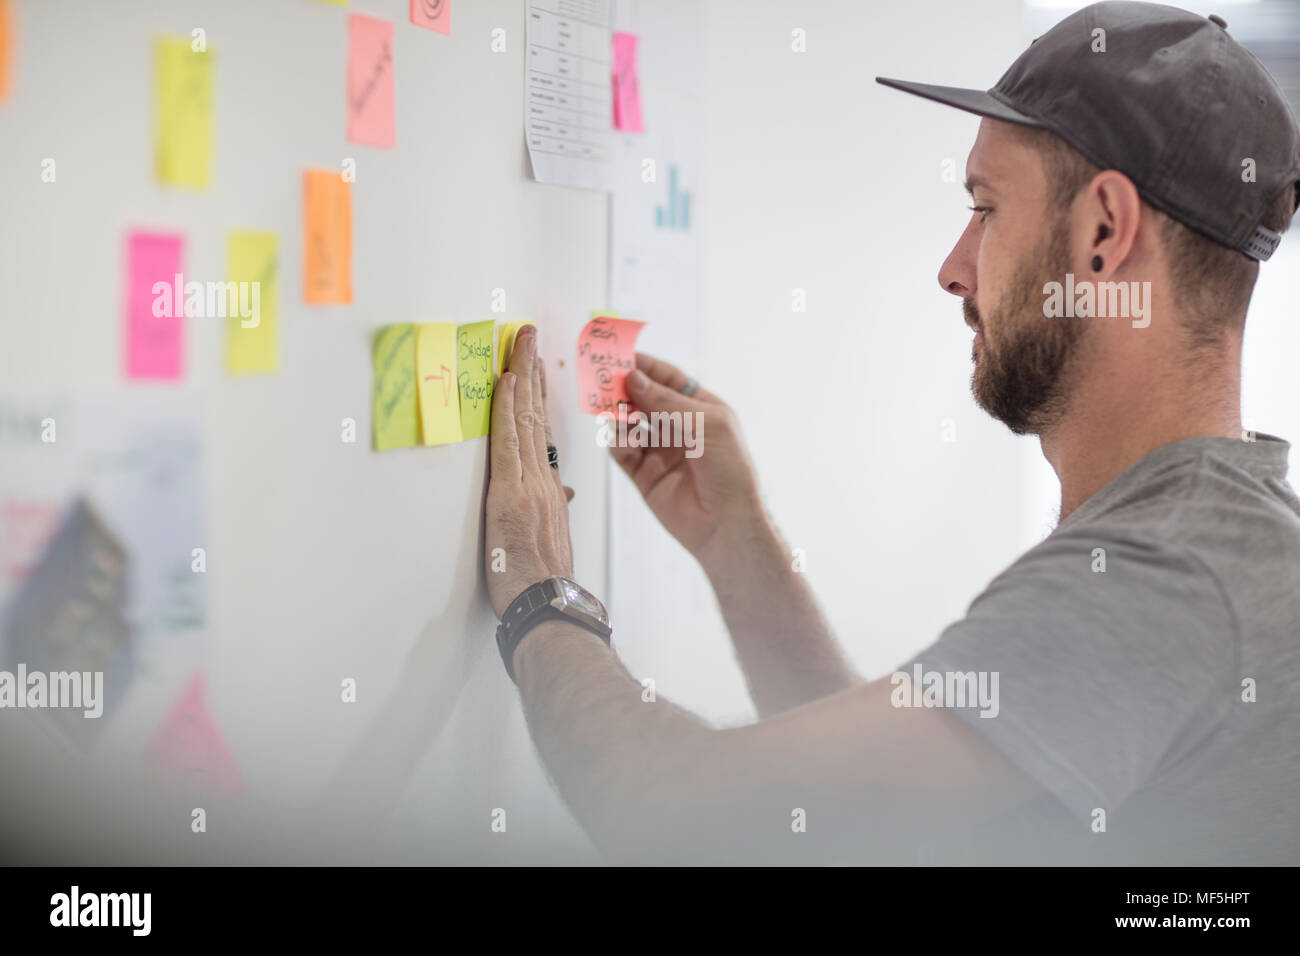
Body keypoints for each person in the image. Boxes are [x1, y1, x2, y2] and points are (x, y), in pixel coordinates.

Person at [483, 1, 1300, 865]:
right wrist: (739, 544)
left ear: (1105, 231)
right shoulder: (1205, 539)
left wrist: (538, 591)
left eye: (985, 209)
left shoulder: (1169, 576)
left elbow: (681, 813)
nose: (952, 268)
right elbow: (886, 814)